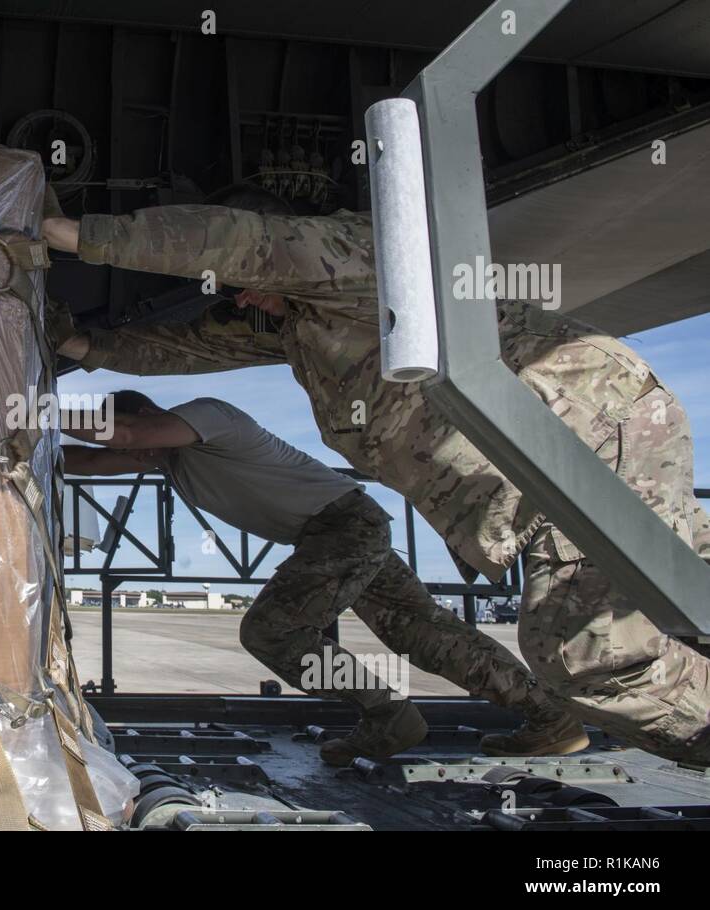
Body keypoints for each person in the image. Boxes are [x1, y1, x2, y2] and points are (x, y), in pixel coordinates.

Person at [43, 187, 710, 765]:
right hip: (521, 475)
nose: (237, 292)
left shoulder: (350, 260)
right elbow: (185, 349)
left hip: (579, 430)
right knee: (424, 632)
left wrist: (69, 235)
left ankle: (406, 709)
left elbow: (244, 244)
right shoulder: (301, 328)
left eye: (240, 274)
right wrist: (76, 347)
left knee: (588, 654)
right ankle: (534, 717)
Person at [63, 391, 586, 765]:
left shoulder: (209, 416)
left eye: (138, 441)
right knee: (425, 634)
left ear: (152, 416)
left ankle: (388, 711)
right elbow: (84, 459)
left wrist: (29, 407)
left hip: (342, 525)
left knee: (273, 632)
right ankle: (545, 717)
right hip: (346, 529)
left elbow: (128, 435)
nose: (136, 457)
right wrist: (4, 434)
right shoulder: (169, 460)